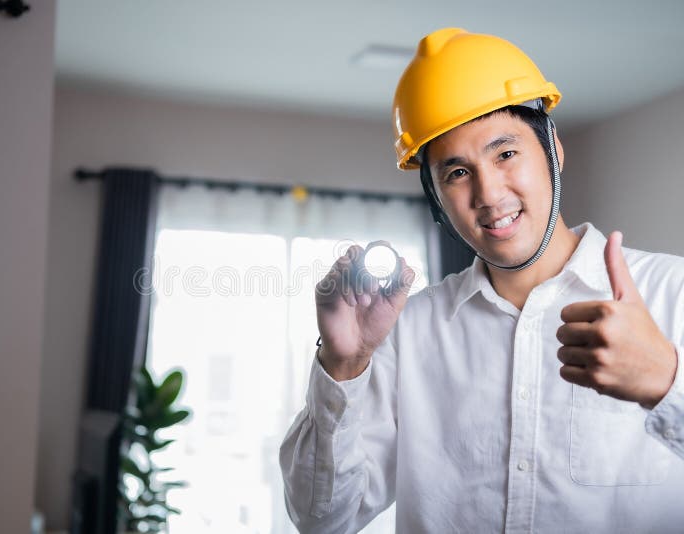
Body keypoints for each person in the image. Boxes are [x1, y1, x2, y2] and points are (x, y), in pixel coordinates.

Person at [279, 27, 684, 533]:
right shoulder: (406, 331)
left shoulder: (673, 294)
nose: (488, 194)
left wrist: (666, 385)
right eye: (457, 173)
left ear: (554, 151)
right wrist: (343, 365)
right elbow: (320, 520)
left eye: (505, 154)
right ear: (436, 197)